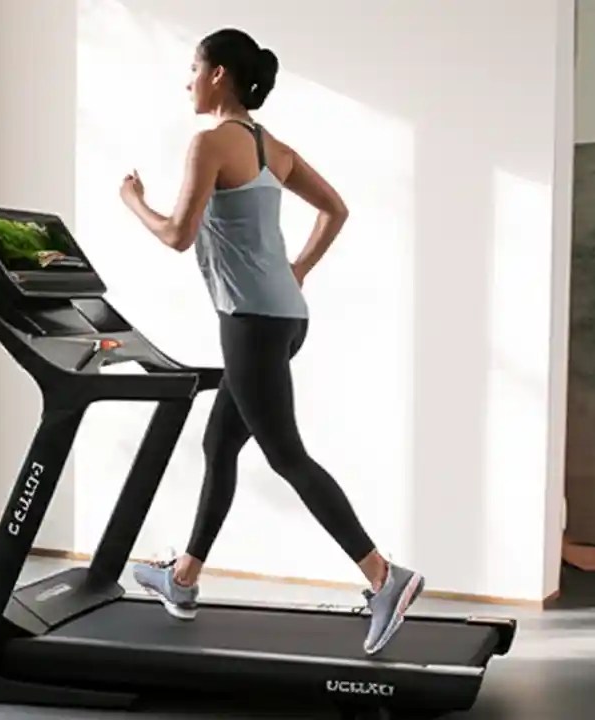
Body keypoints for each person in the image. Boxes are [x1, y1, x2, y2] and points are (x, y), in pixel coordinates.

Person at [117, 28, 423, 656]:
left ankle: (383, 577)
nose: (189, 81)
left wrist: (133, 201)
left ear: (220, 74)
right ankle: (183, 579)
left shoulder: (209, 143)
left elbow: (177, 235)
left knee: (286, 455)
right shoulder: (271, 146)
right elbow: (335, 208)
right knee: (220, 442)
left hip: (251, 323)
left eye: (194, 69)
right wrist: (299, 270)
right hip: (286, 320)